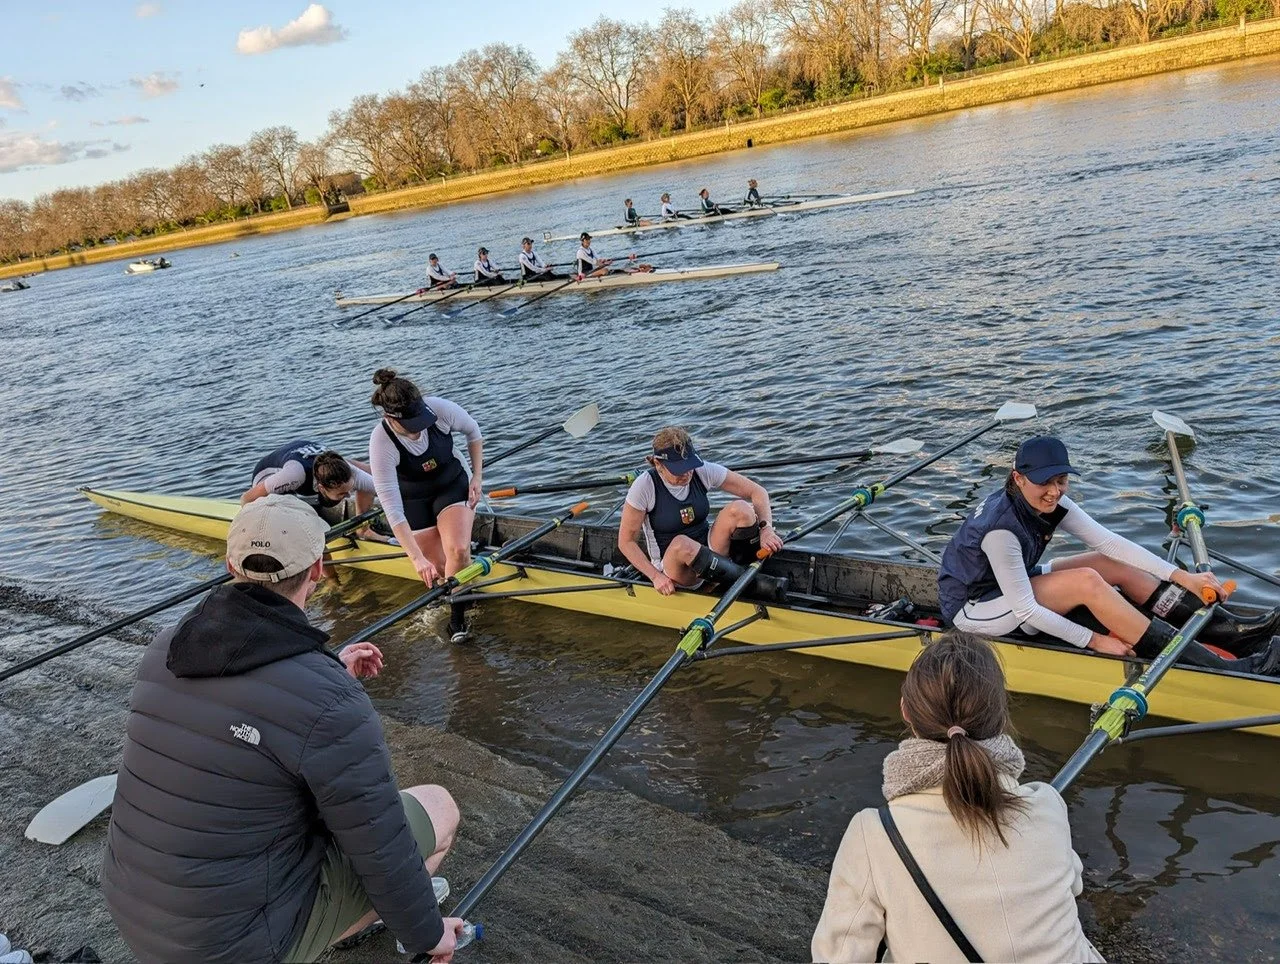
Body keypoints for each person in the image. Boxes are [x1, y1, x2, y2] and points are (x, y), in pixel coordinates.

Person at [102, 495, 466, 964]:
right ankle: (372, 923)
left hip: (136, 913)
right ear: (318, 569)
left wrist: (325, 673)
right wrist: (428, 933)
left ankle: (351, 919)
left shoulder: (163, 648)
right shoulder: (330, 700)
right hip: (235, 948)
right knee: (439, 806)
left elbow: (234, 712)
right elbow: (380, 840)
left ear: (231, 563)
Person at [812, 631, 1105, 963]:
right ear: (1000, 715)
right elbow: (1072, 886)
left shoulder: (874, 832)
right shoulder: (1048, 803)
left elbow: (839, 957)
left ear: (906, 711)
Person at [936, 436, 1280, 673]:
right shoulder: (1001, 531)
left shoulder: (1047, 501)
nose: (1055, 492)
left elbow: (1110, 543)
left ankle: (1226, 632)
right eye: (1045, 483)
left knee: (1108, 564)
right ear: (1018, 478)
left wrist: (1182, 576)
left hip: (1013, 581)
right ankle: (1220, 668)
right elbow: (1027, 609)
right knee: (1087, 581)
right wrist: (1096, 641)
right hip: (973, 609)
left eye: (1061, 481)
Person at [368, 369, 484, 642]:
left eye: (422, 419)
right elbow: (393, 509)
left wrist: (477, 477)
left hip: (452, 484)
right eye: (412, 423)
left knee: (457, 550)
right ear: (390, 418)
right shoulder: (381, 442)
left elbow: (473, 432)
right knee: (441, 569)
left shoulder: (441, 410)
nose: (420, 427)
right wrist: (416, 558)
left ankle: (458, 621)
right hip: (414, 499)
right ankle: (463, 590)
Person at [617, 426, 788, 600]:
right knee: (682, 543)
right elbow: (626, 542)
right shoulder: (644, 486)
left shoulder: (701, 470)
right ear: (658, 464)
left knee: (741, 509)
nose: (687, 473)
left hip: (709, 551)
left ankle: (736, 573)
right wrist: (655, 576)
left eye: (689, 465)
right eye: (679, 469)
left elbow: (758, 492)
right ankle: (750, 583)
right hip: (675, 568)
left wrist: (766, 529)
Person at [241, 440, 376, 527]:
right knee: (301, 526)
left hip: (302, 452)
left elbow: (384, 490)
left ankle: (363, 529)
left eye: (349, 490)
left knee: (367, 485)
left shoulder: (349, 471)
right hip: (266, 475)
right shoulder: (293, 475)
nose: (348, 496)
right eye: (342, 493)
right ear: (321, 487)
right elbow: (246, 498)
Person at [576, 232, 653, 279]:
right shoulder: (580, 252)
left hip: (591, 271)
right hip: (584, 274)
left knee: (607, 268)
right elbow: (594, 262)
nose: (589, 241)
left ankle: (638, 269)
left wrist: (605, 260)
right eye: (587, 240)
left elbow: (598, 259)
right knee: (605, 270)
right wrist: (604, 264)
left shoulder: (590, 249)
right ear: (583, 241)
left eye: (589, 239)